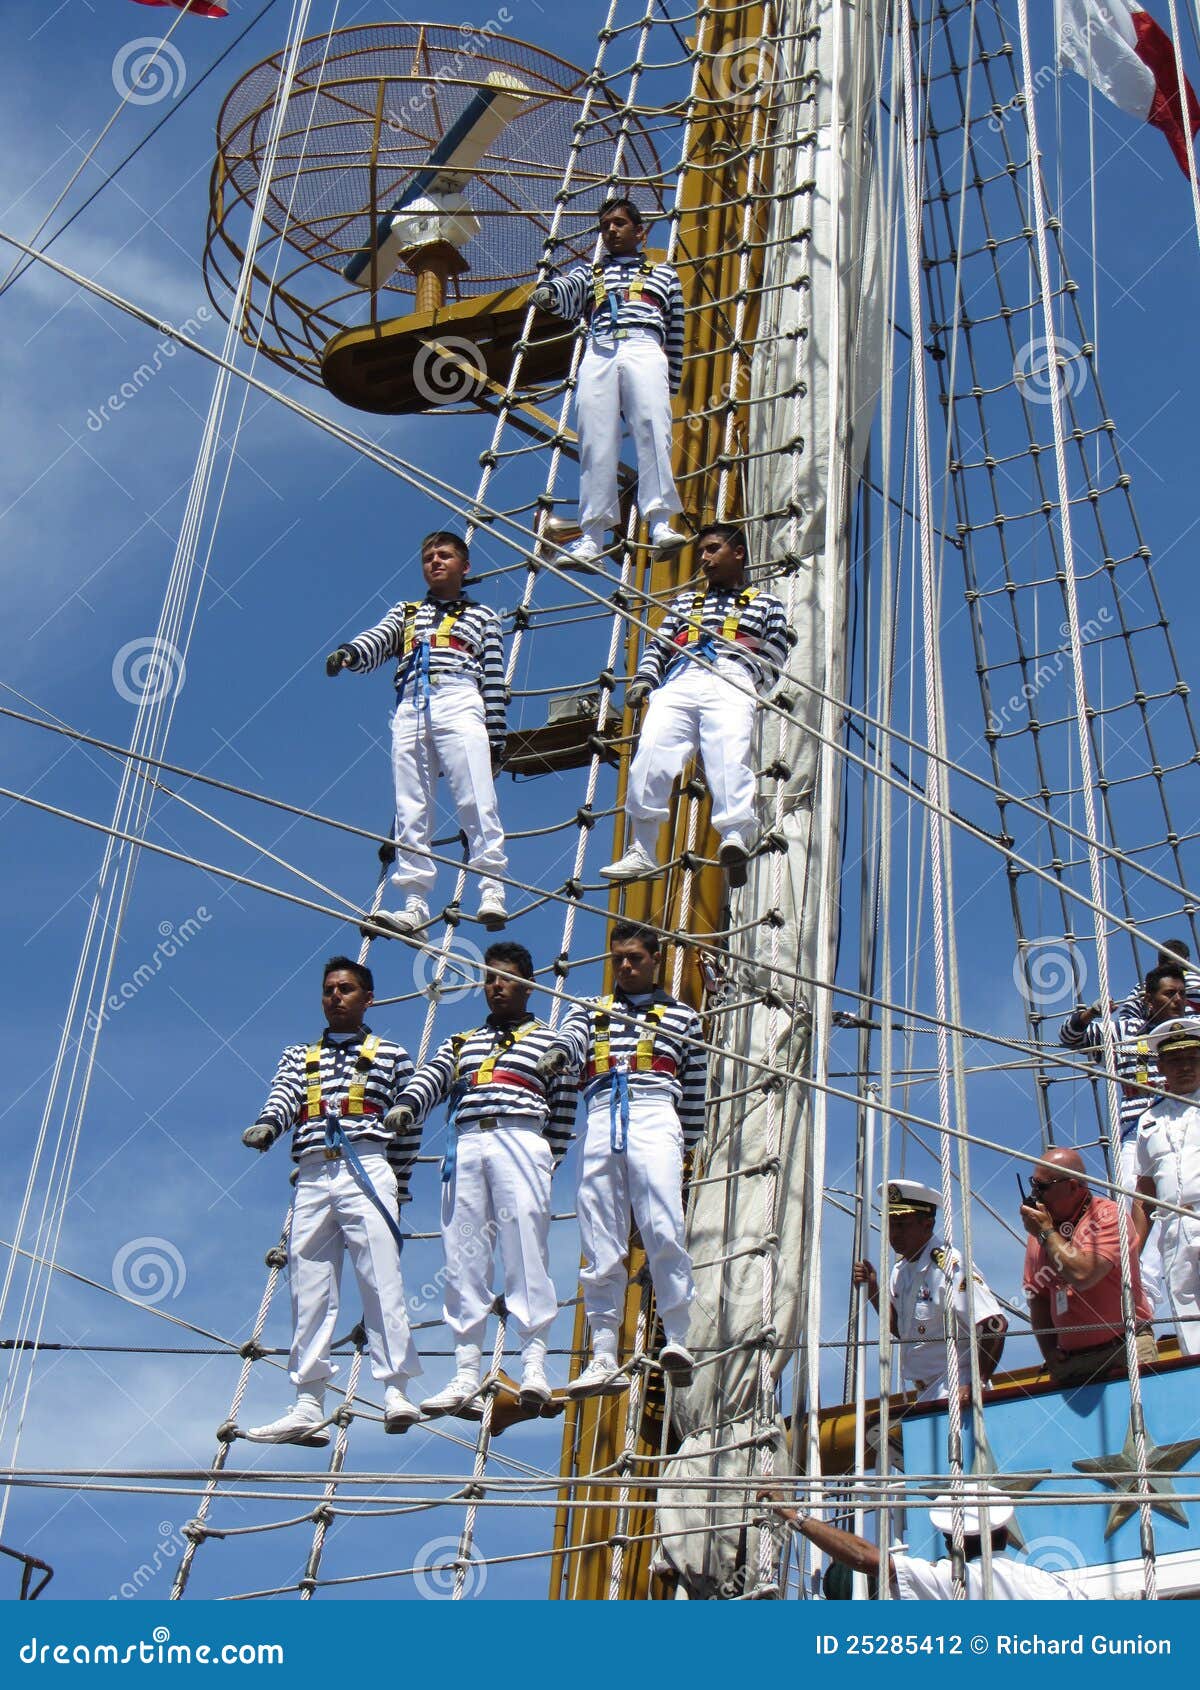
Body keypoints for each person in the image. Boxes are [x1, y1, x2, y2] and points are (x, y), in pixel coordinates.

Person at [385, 942, 577, 1415]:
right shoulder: (462, 1041)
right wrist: (409, 1105)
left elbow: (565, 1105)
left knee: (526, 1253)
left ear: (528, 983)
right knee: (463, 1253)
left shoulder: (550, 1041)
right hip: (467, 1143)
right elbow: (432, 1076)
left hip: (522, 1137)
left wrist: (544, 1158)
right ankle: (466, 1371)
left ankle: (533, 1366)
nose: (496, 986)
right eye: (489, 978)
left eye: (506, 977)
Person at [241, 958, 423, 1443]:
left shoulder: (392, 1055)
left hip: (367, 1162)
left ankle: (396, 1389)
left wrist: (396, 1185)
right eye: (328, 990)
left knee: (380, 1276)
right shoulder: (298, 1055)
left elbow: (408, 1129)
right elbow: (283, 1097)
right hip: (315, 1170)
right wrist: (270, 1126)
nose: (335, 997)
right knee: (309, 1282)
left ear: (368, 998)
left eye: (345, 989)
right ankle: (308, 1398)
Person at [325, 531, 508, 936]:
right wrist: (350, 653)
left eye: (444, 556)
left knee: (475, 795)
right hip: (410, 703)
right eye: (428, 557)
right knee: (411, 804)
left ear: (465, 566)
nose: (435, 562)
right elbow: (378, 639)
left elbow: (494, 680)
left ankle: (492, 887)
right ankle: (414, 904)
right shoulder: (406, 613)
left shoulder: (484, 618)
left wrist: (496, 738)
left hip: (460, 695)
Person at [552, 922, 705, 1395]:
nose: (624, 965)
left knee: (663, 1225)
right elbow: (571, 1043)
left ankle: (679, 1335)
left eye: (635, 957)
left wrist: (686, 1141)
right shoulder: (589, 1013)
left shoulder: (683, 1017)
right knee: (599, 1236)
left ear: (655, 960)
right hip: (600, 1112)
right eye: (618, 957)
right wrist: (558, 1053)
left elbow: (695, 1092)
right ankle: (602, 1353)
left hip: (655, 1111)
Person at [599, 523, 790, 882]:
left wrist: (752, 682)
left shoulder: (766, 603)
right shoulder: (686, 602)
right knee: (650, 756)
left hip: (733, 677)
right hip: (681, 678)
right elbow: (660, 644)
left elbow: (776, 650)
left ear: (738, 553)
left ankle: (735, 834)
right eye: (702, 551)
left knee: (729, 755)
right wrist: (646, 679)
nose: (704, 558)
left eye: (713, 549)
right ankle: (643, 848)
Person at [530, 197, 686, 566]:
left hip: (644, 345)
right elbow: (563, 293)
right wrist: (549, 293)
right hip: (599, 349)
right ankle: (592, 537)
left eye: (618, 223)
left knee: (652, 425)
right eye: (606, 226)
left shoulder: (665, 274)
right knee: (595, 438)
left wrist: (671, 380)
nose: (611, 230)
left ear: (640, 231)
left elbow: (676, 329)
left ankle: (660, 521)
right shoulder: (591, 274)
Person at [1058, 961, 1189, 1312]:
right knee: (1137, 1210)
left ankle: (1154, 1289)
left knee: (1179, 1207)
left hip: (1187, 1130)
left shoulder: (1190, 1031)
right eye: (1169, 993)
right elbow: (1069, 1039)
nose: (1178, 1000)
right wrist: (1088, 1015)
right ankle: (1139, 1292)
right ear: (1149, 997)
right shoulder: (1123, 1031)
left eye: (1182, 993)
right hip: (1138, 1134)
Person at [760, 1490, 1084, 1600]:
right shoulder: (1051, 1583)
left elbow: (864, 1557)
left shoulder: (953, 1578)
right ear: (1002, 1532)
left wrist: (794, 1516)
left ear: (950, 1540)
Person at [852, 1179, 1006, 1404]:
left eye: (902, 1224)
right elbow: (902, 1331)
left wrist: (976, 1383)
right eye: (891, 1225)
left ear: (927, 1224)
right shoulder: (901, 1272)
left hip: (955, 1390)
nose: (894, 1234)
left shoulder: (950, 1266)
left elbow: (995, 1324)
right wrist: (873, 1289)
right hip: (924, 1394)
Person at [1021, 1145, 1155, 1386]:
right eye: (1033, 1184)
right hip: (1071, 1363)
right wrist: (1049, 1351)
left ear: (1072, 1185)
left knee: (1141, 1424)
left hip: (1123, 1352)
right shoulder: (1040, 1232)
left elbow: (1083, 1275)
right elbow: (1038, 1296)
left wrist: (1045, 1232)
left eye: (1042, 1187)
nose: (1035, 1195)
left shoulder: (1108, 1217)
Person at [1134, 1017, 1200, 1356]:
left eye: (1192, 1058)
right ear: (1161, 1066)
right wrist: (1132, 1248)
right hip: (1173, 1224)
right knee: (1185, 1308)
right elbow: (1144, 1194)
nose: (1185, 1067)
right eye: (1175, 1060)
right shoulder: (1150, 1120)